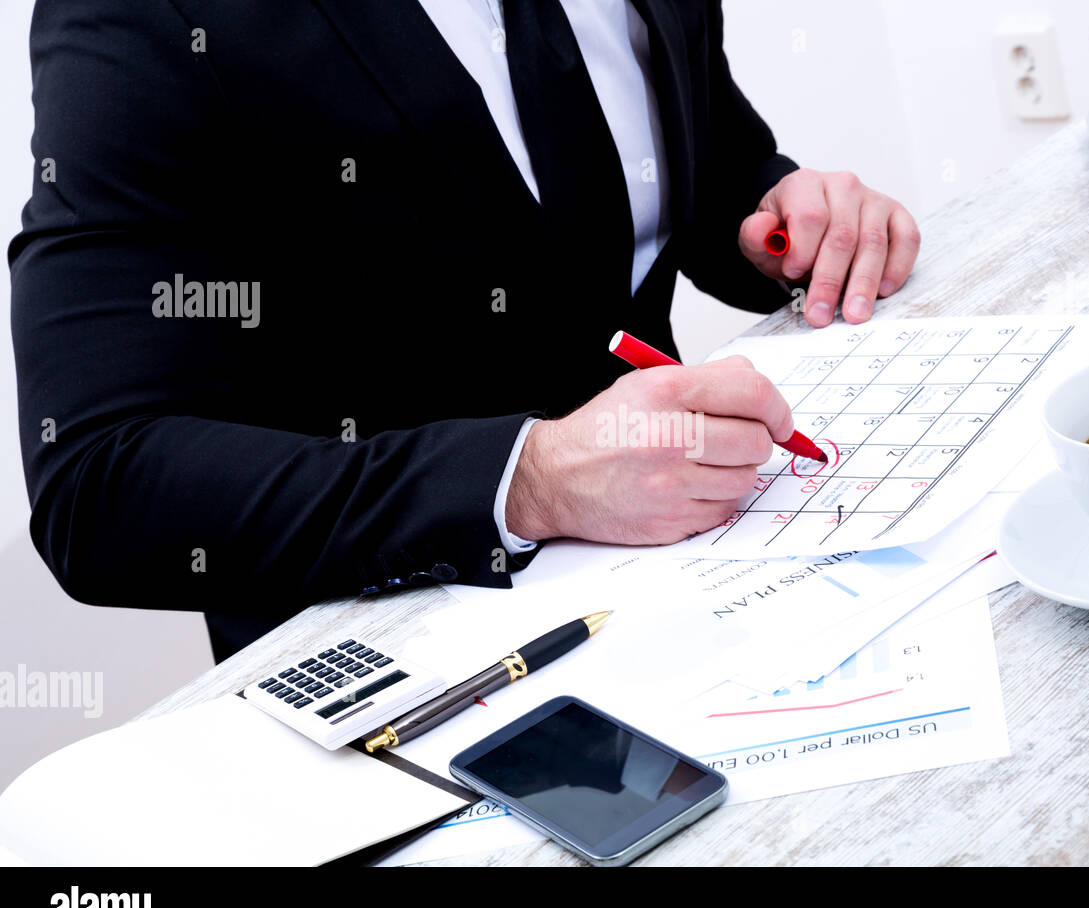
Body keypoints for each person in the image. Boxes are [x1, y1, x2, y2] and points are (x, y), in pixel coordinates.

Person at [9, 0, 919, 661]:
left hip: (721, 582)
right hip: (410, 665)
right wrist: (528, 482)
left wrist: (777, 218)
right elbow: (99, 481)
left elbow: (690, 165)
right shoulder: (141, 17)